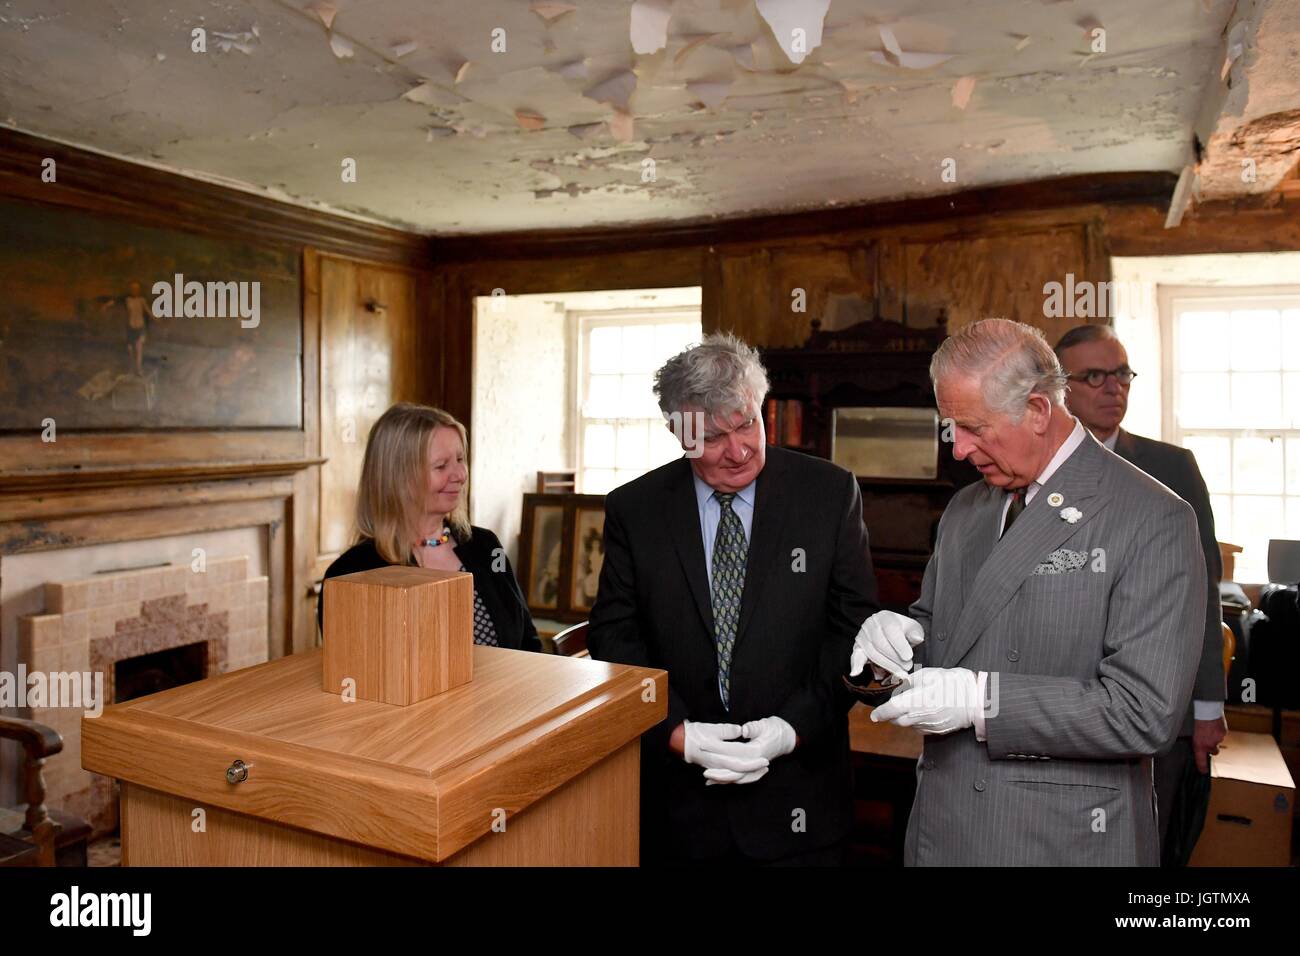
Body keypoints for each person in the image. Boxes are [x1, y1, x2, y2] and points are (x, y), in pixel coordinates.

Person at [852, 318, 1203, 865]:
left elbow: (1143, 713)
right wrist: (887, 648)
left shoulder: (1151, 516)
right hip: (946, 830)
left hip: (1059, 838)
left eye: (972, 427)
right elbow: (945, 634)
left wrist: (982, 701)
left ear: (1038, 411)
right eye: (951, 428)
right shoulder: (967, 510)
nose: (960, 449)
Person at [588, 332, 879, 866]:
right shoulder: (637, 509)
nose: (739, 449)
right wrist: (673, 731)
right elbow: (615, 636)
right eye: (714, 437)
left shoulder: (829, 494)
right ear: (680, 435)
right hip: (677, 812)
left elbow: (852, 629)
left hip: (801, 805)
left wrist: (792, 728)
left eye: (747, 423)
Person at [1054, 323, 1225, 865]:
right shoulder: (1025, 473)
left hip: (1158, 707)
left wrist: (1207, 706)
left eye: (1122, 373)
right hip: (1061, 705)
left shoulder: (1172, 467)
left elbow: (1206, 590)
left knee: (1151, 848)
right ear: (1059, 390)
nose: (1115, 389)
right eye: (1096, 376)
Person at [320, 402, 541, 652]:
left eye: (460, 459)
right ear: (398, 477)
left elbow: (528, 642)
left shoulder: (487, 547)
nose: (460, 474)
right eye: (441, 466)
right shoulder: (350, 574)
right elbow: (355, 669)